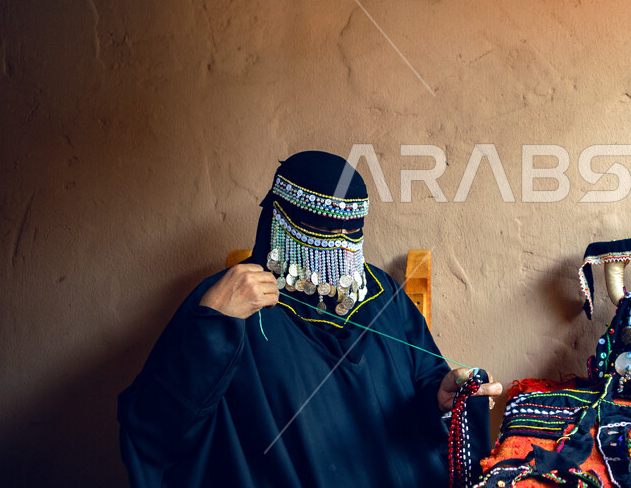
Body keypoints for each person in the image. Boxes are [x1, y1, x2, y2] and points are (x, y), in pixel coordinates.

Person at [118, 150, 501, 487]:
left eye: (351, 230)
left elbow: (421, 378)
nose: (339, 242)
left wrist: (440, 392)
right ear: (280, 219)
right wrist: (214, 324)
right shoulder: (232, 298)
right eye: (323, 229)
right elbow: (154, 427)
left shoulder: (381, 290)